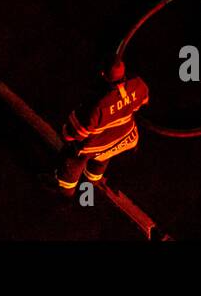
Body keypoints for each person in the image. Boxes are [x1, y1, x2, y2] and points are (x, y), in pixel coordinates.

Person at [56, 60, 150, 200]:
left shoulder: (95, 105)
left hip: (96, 145)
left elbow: (73, 134)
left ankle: (65, 190)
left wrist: (65, 133)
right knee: (103, 157)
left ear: (102, 74)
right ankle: (90, 183)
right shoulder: (137, 84)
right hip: (125, 138)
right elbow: (143, 102)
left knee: (73, 156)